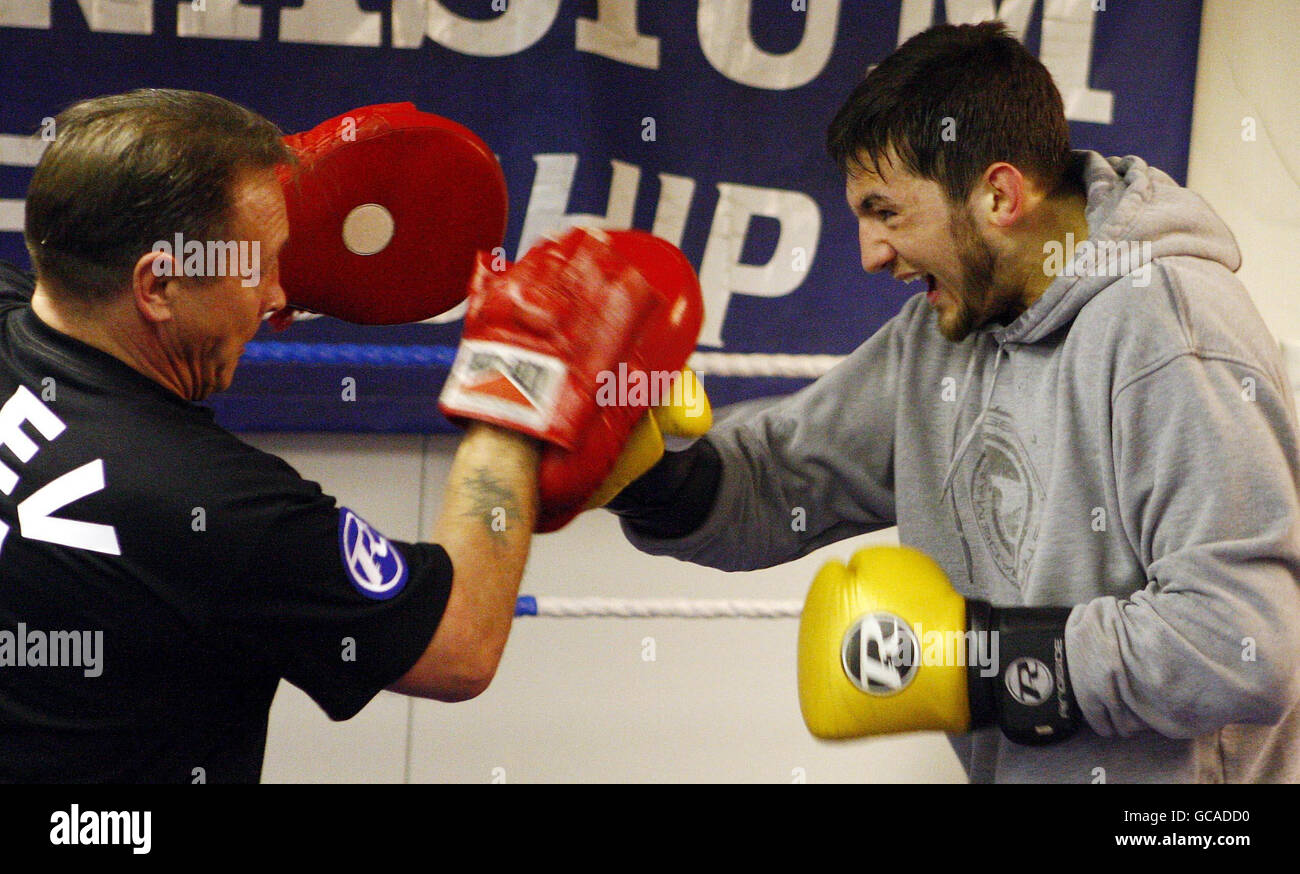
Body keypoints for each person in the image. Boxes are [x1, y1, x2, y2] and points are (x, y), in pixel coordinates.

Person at [608, 21, 1300, 783]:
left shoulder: (1170, 329)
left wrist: (985, 660)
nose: (870, 254)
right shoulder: (945, 335)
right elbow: (782, 481)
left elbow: (1243, 641)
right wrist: (649, 475)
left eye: (886, 211)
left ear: (999, 195)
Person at [0, 89, 688, 782]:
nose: (277, 299)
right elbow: (457, 645)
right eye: (261, 267)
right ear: (156, 287)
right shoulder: (213, 507)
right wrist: (513, 388)